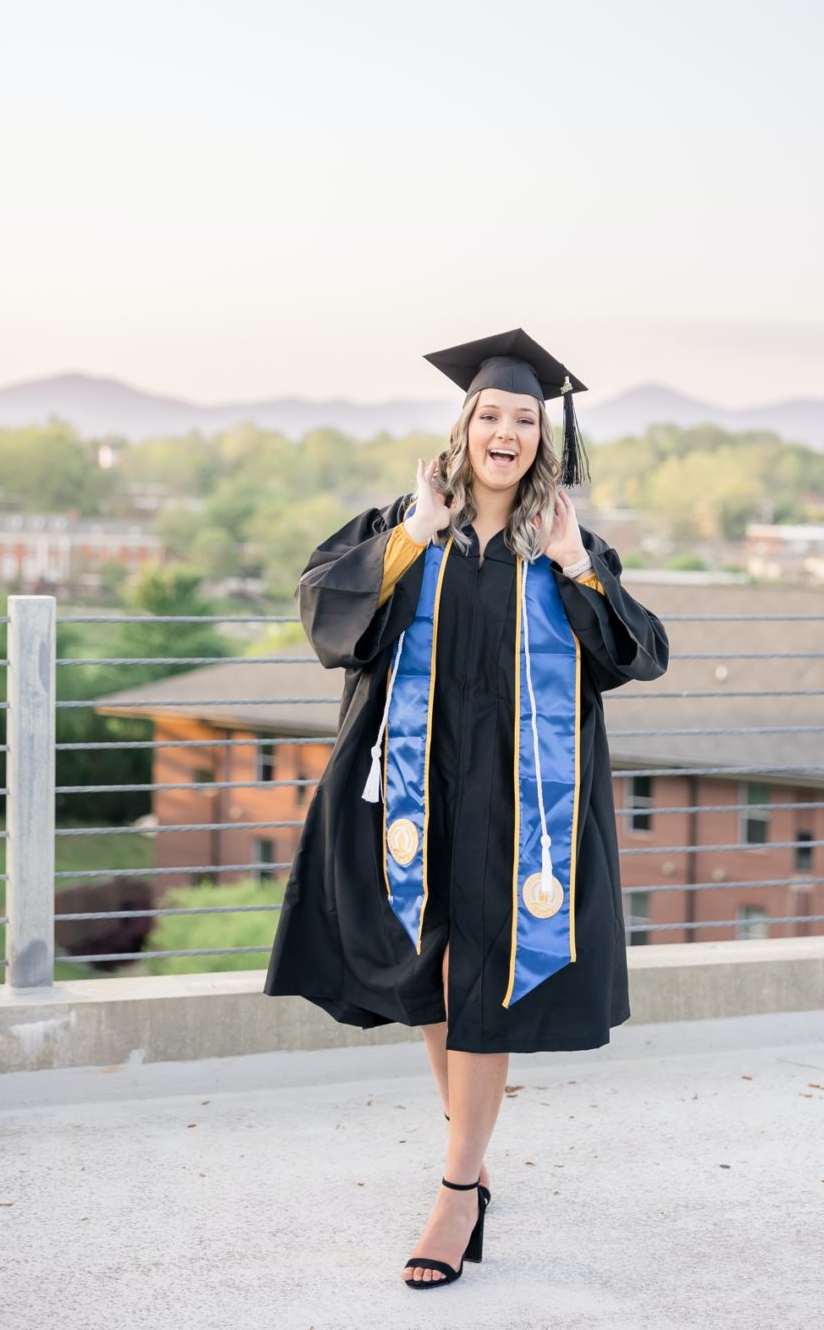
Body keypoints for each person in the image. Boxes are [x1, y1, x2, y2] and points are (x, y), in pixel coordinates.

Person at [263, 327, 670, 1289]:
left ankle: (453, 1193)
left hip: (520, 806)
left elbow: (636, 653)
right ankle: (471, 1164)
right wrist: (411, 531)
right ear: (464, 424)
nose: (507, 431)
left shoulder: (563, 545)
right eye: (491, 413)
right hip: (412, 792)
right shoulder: (404, 527)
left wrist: (576, 564)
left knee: (481, 986)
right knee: (434, 981)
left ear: (543, 440)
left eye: (525, 419)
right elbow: (324, 613)